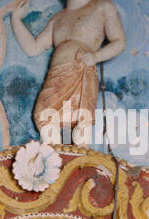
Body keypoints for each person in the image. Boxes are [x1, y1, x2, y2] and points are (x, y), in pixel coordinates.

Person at [9, 0, 127, 147]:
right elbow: (32, 48)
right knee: (44, 116)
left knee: (82, 120)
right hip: (56, 76)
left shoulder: (102, 7)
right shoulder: (58, 18)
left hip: (80, 69)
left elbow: (119, 42)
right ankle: (55, 158)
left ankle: (80, 161)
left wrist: (96, 57)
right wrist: (16, 19)